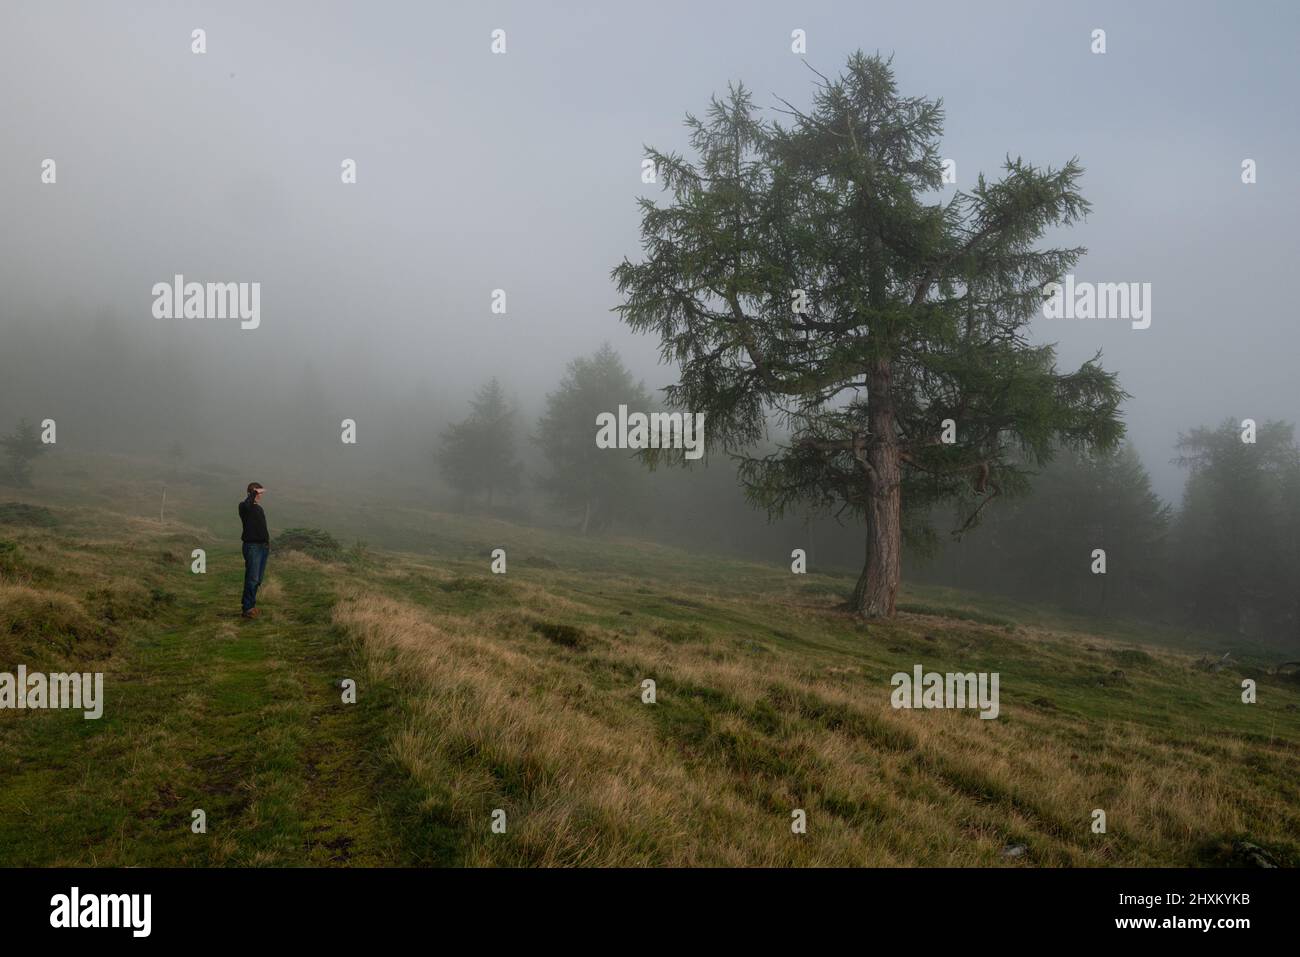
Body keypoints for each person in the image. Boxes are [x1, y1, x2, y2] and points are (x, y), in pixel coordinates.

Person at [238, 482, 270, 619]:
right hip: (252, 547)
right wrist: (254, 492)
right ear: (251, 492)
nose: (260, 496)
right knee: (252, 578)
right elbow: (247, 504)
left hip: (263, 547)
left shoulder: (259, 509)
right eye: (258, 493)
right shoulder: (244, 507)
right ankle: (247, 608)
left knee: (258, 579)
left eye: (260, 493)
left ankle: (251, 606)